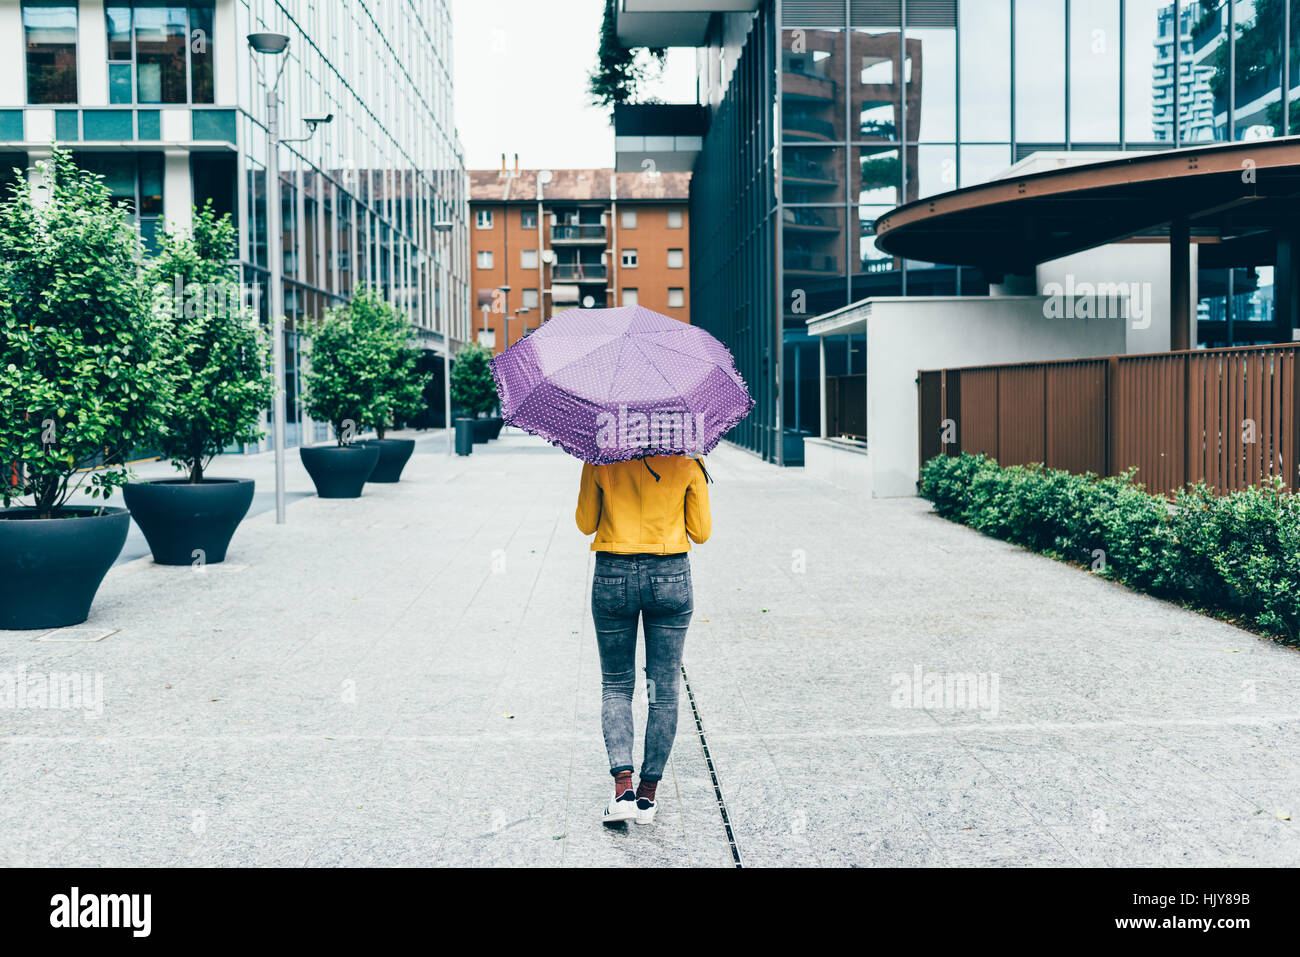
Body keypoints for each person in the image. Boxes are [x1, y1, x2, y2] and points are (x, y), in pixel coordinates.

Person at [575, 453, 712, 826]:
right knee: (663, 689)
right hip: (669, 573)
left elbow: (585, 523)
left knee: (616, 684)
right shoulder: (688, 458)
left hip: (613, 571)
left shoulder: (599, 455)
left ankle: (623, 790)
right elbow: (700, 532)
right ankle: (648, 799)